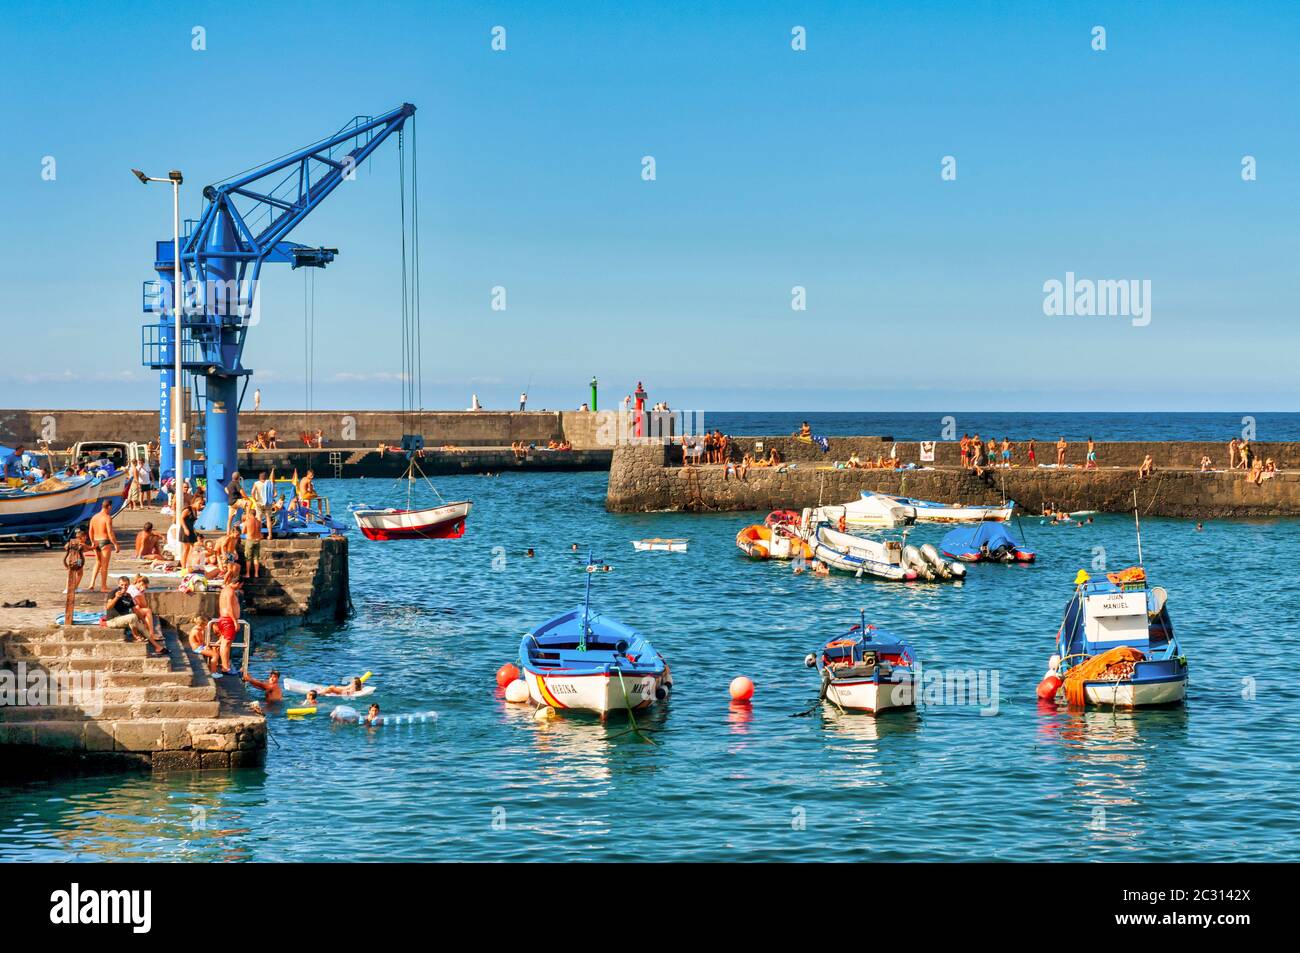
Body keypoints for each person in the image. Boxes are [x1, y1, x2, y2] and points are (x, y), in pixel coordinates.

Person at [87, 500, 119, 592]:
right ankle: (103, 587)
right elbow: (109, 532)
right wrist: (115, 544)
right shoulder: (107, 518)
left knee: (97, 563)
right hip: (104, 542)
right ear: (109, 506)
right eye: (111, 507)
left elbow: (90, 531)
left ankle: (91, 583)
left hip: (96, 541)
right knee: (104, 565)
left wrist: (92, 541)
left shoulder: (94, 517)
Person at [242, 505, 264, 578]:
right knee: (256, 558)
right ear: (255, 514)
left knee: (248, 558)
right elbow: (259, 531)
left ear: (250, 514)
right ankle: (256, 574)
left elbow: (243, 532)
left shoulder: (247, 522)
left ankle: (248, 574)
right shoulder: (259, 522)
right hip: (257, 540)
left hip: (250, 540)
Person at [63, 528, 88, 594]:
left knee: (70, 574)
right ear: (82, 537)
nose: (86, 538)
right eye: (85, 537)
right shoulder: (82, 544)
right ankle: (74, 587)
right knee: (80, 574)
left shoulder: (72, 542)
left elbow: (65, 547)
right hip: (79, 560)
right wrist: (94, 547)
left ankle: (67, 588)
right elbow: (87, 549)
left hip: (71, 559)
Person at [178, 497, 198, 568]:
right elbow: (181, 518)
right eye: (200, 503)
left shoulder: (195, 510)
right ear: (196, 502)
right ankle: (183, 566)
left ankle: (189, 564)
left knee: (194, 547)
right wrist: (185, 528)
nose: (201, 505)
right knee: (186, 548)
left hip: (191, 529)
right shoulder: (188, 509)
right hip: (185, 530)